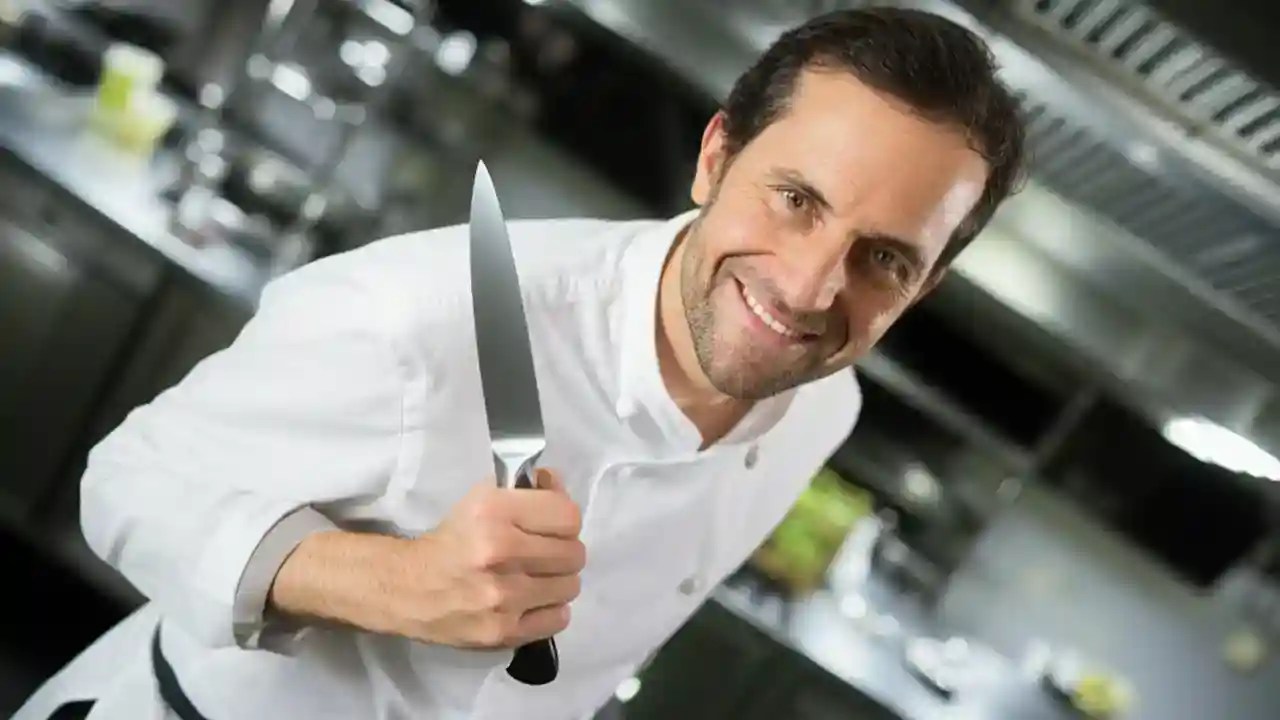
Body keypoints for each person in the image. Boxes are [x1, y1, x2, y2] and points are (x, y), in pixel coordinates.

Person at [18, 7, 1025, 720]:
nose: (809, 288)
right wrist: (391, 581)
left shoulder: (820, 411)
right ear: (715, 158)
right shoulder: (430, 310)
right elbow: (131, 482)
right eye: (794, 198)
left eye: (883, 259)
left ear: (922, 285)